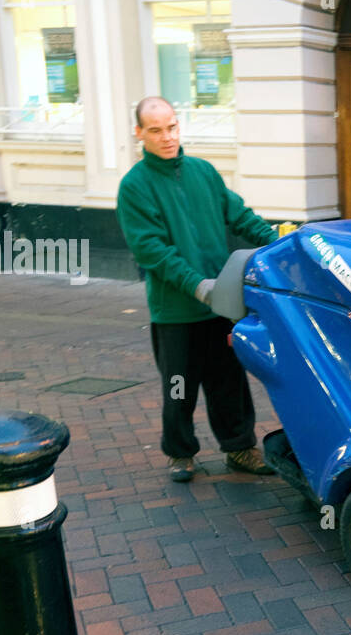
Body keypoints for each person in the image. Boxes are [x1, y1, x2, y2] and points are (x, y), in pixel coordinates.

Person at [116, 96, 278, 483]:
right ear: (139, 134)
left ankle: (239, 447)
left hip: (221, 304)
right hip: (176, 310)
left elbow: (239, 216)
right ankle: (180, 453)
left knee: (229, 383)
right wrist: (196, 285)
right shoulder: (134, 186)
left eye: (171, 127)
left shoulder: (203, 172)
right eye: (155, 130)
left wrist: (278, 245)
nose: (166, 137)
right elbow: (151, 249)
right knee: (179, 386)